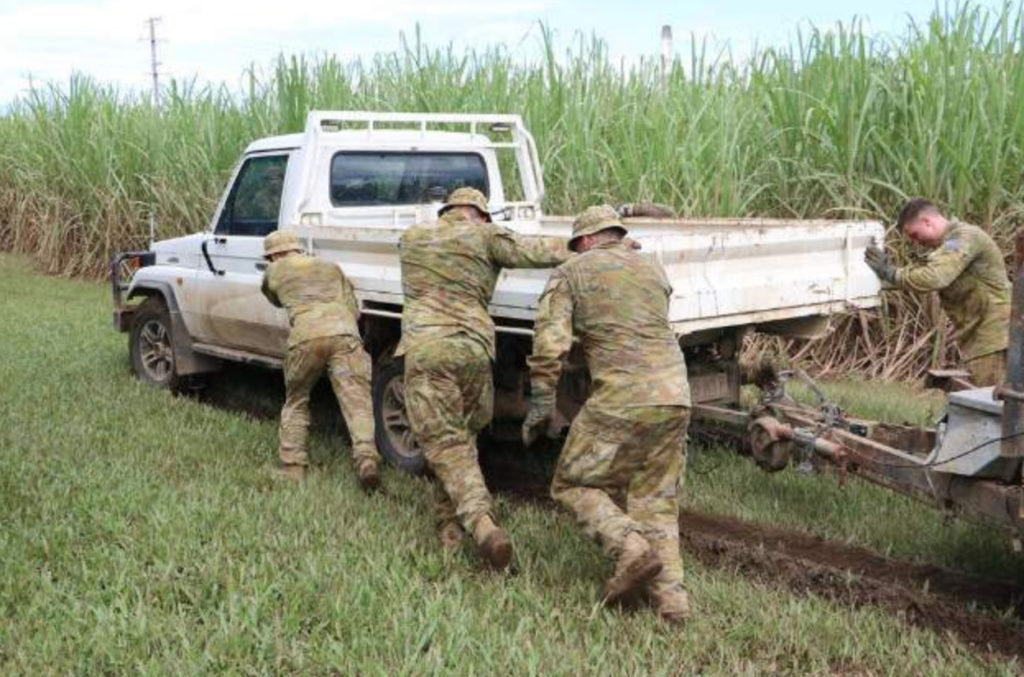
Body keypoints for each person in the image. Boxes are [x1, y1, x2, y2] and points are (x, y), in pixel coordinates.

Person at [522, 204, 693, 625]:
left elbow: (550, 344)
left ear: (582, 242)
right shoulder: (651, 267)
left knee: (573, 483)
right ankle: (672, 603)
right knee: (655, 499)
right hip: (675, 394)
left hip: (622, 397)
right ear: (618, 234)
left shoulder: (571, 272)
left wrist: (542, 403)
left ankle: (631, 548)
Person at [398, 186, 571, 568]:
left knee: (444, 443)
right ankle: (449, 526)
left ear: (448, 211)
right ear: (481, 215)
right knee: (461, 438)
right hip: (475, 349)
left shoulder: (411, 238)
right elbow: (537, 251)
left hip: (427, 347)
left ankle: (481, 524)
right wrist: (589, 245)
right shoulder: (486, 235)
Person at [260, 230, 382, 488]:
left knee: (296, 400)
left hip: (306, 336)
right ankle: (366, 460)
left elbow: (274, 298)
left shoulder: (275, 271)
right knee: (357, 401)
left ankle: (293, 468)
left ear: (275, 255)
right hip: (344, 331)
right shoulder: (331, 266)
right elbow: (353, 308)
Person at [865, 198, 1010, 387]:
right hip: (985, 336)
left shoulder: (964, 238)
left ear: (927, 221)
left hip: (994, 336)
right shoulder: (949, 246)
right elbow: (922, 274)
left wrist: (892, 274)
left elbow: (935, 277)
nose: (916, 242)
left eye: (915, 234)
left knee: (992, 406)